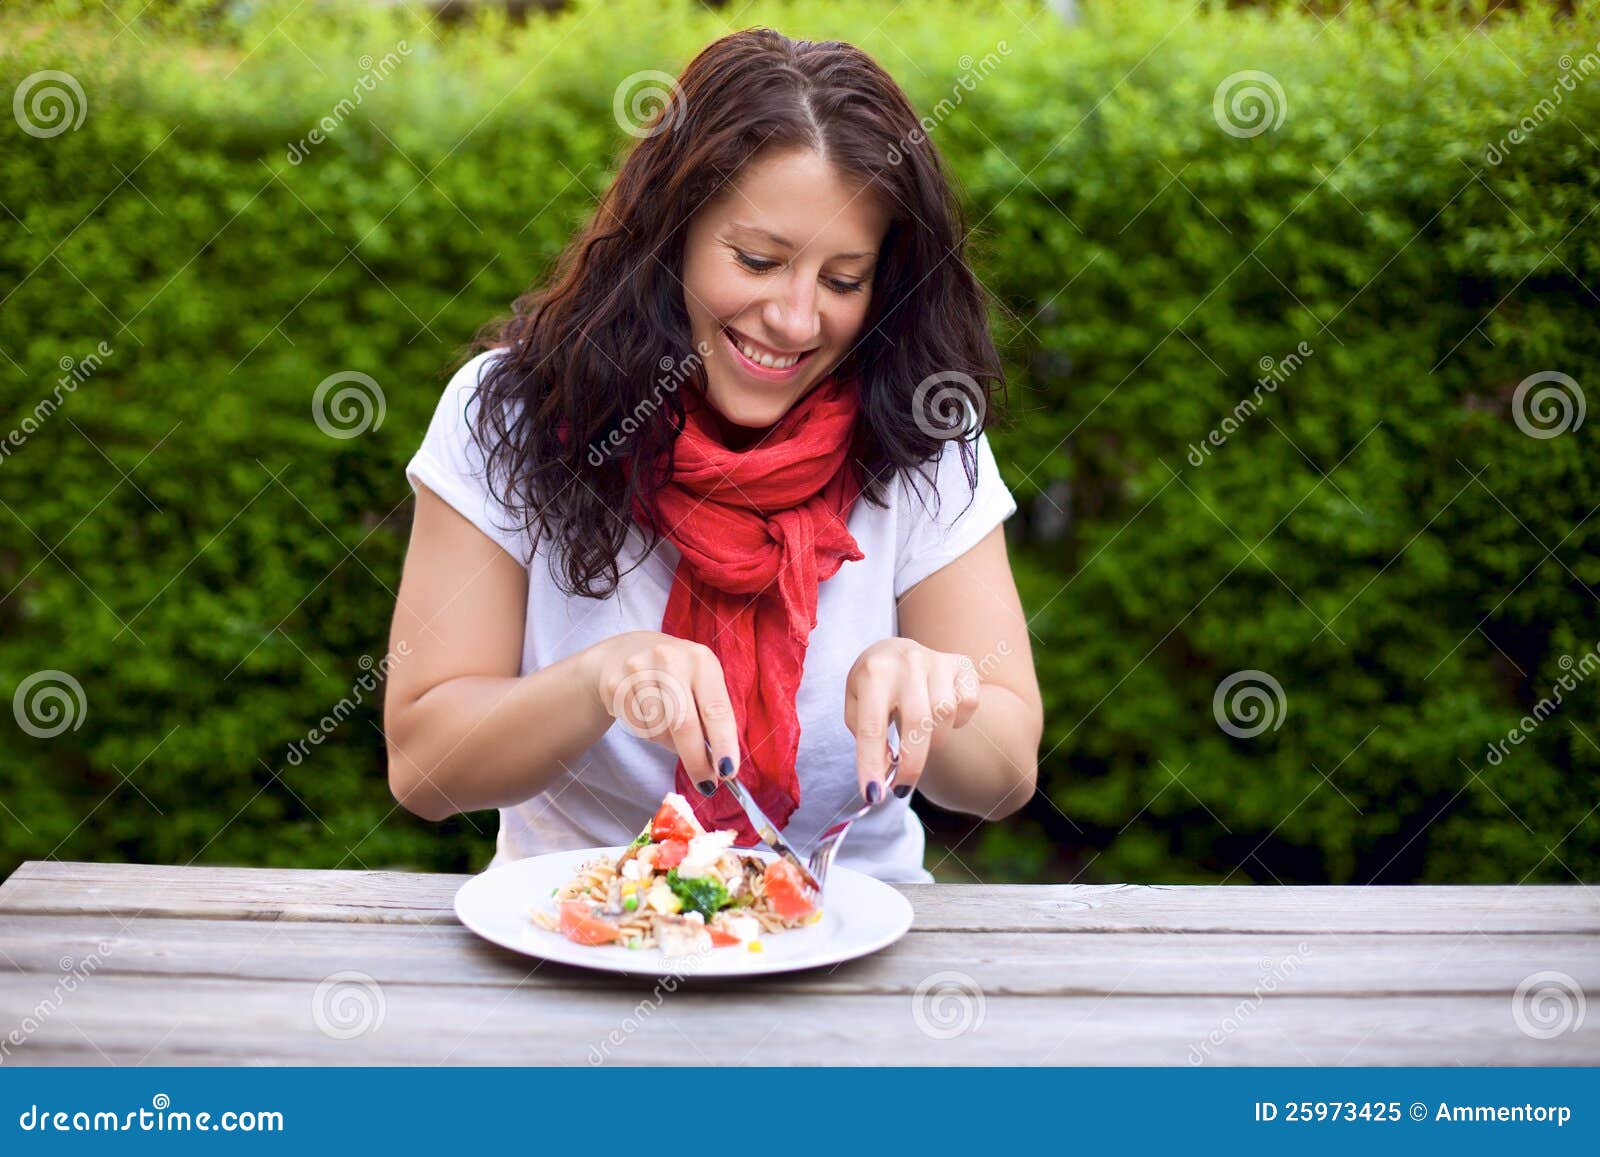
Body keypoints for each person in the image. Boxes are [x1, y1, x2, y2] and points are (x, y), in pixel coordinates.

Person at [382, 27, 1042, 883]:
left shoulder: (920, 430)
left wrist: (936, 695)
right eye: (759, 261)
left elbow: (1009, 771)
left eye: (844, 280)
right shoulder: (506, 411)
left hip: (851, 937)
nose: (797, 320)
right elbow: (424, 765)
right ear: (670, 236)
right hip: (581, 934)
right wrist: (596, 681)